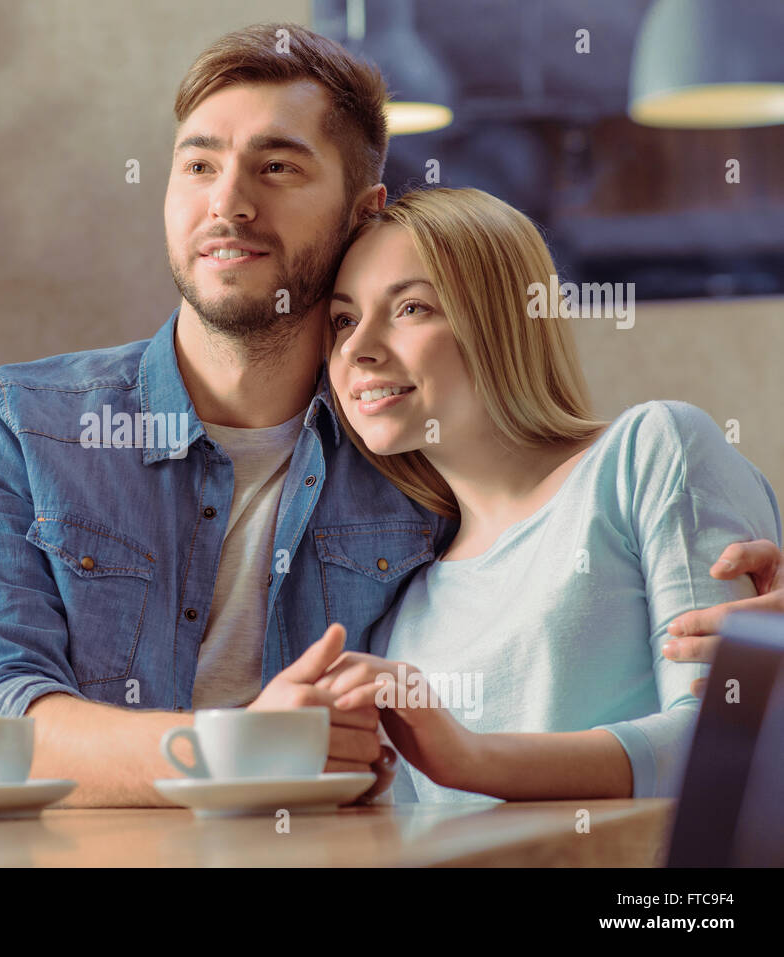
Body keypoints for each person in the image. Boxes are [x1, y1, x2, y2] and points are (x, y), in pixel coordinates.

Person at [0, 22, 784, 807]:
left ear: (361, 210)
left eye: (277, 164)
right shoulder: (18, 427)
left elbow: (721, 712)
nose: (227, 202)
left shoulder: (413, 483)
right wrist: (242, 745)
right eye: (197, 163)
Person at [314, 186, 782, 801]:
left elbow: (727, 738)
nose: (356, 348)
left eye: (411, 309)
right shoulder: (400, 610)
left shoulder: (651, 452)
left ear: (504, 320)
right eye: (344, 319)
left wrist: (472, 758)